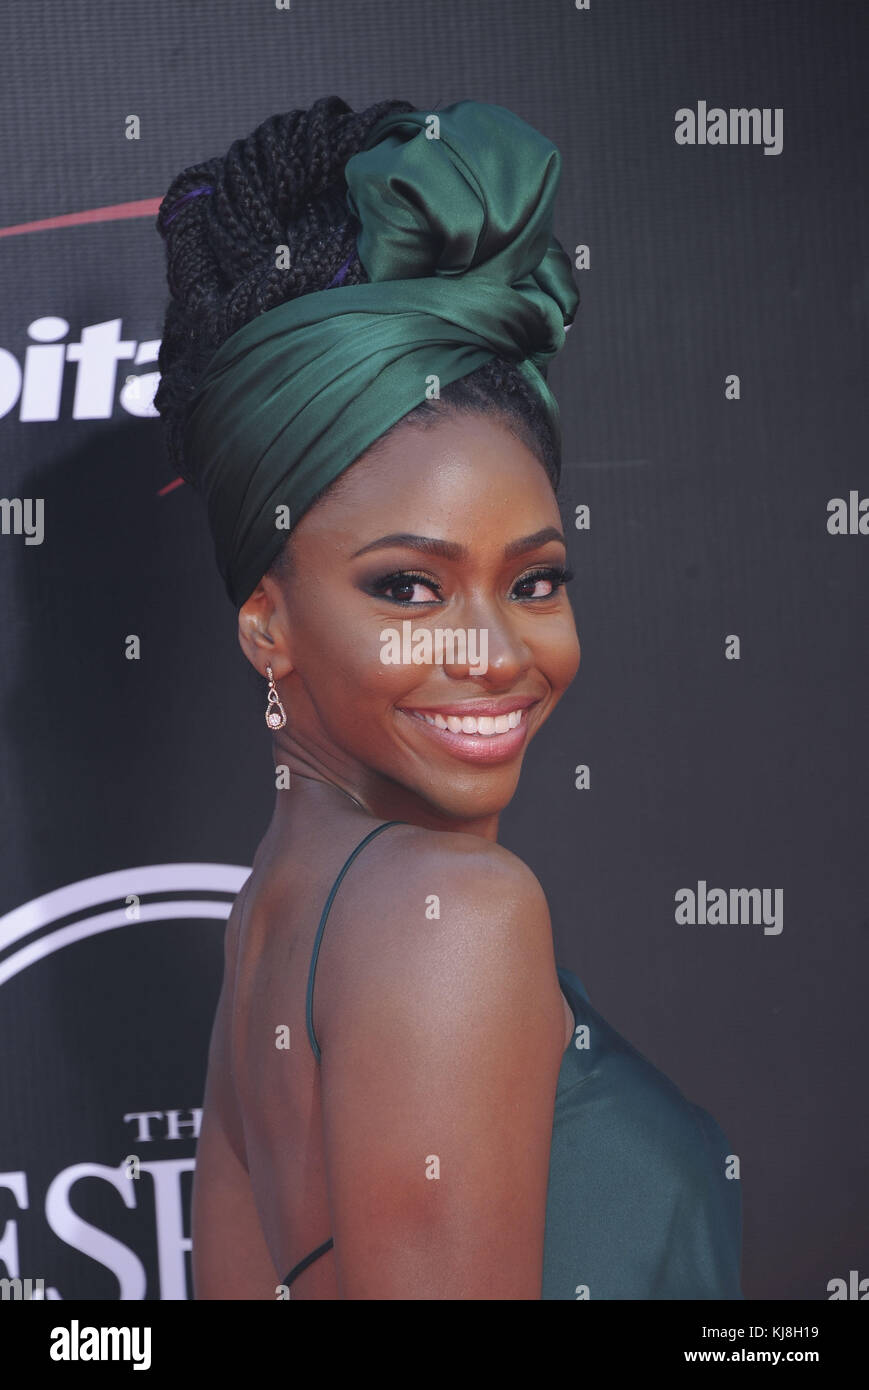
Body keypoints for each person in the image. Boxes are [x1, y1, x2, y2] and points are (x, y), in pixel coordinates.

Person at [154, 95, 743, 1300]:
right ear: (266, 620)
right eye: (408, 586)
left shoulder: (275, 923)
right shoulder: (452, 917)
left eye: (533, 578)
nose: (492, 650)